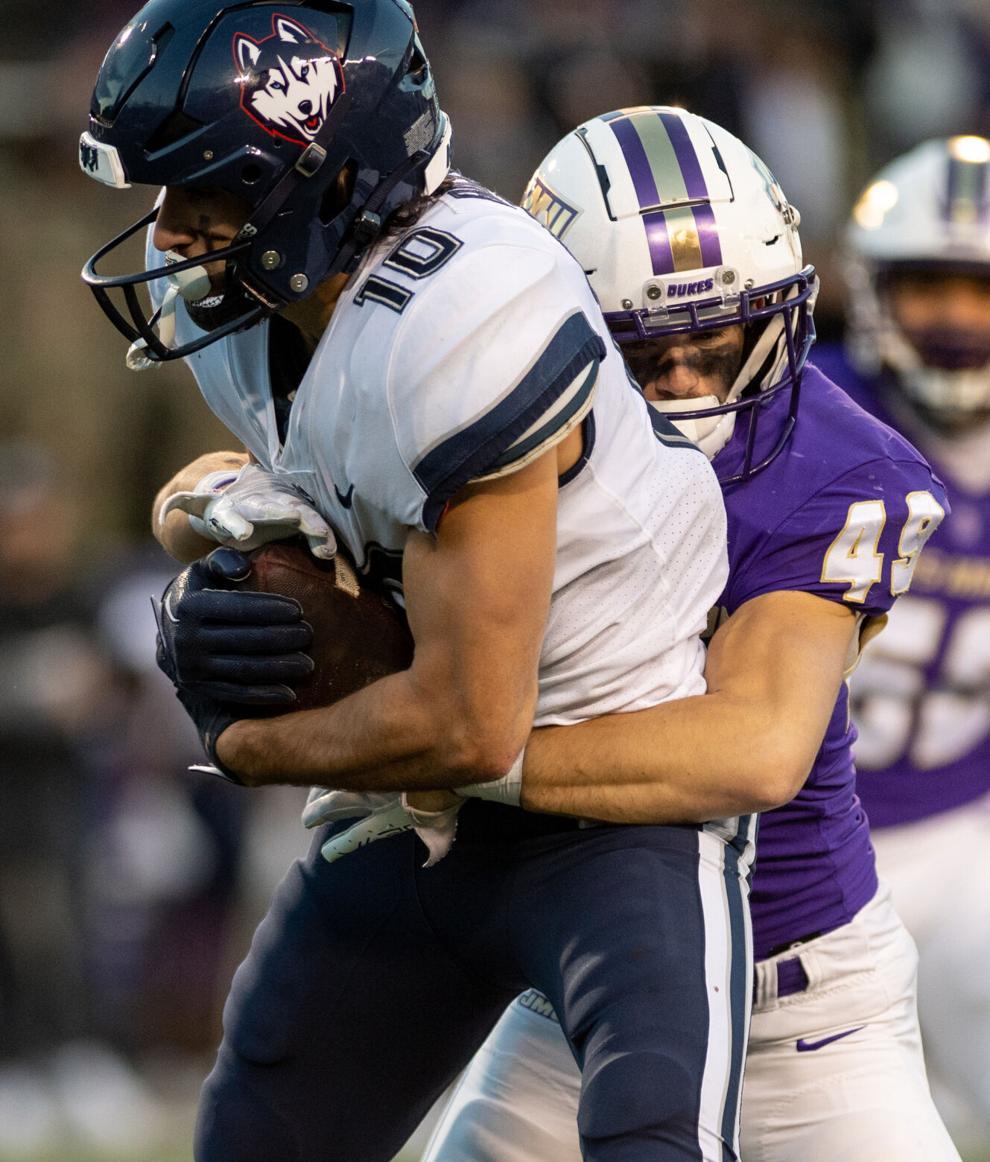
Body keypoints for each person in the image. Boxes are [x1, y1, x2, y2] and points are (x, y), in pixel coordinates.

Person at [79, 7, 749, 1161]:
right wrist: (212, 520)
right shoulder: (258, 308)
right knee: (260, 1137)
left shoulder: (464, 317)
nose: (174, 236)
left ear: (325, 181)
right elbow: (257, 477)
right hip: (416, 812)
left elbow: (471, 719)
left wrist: (251, 744)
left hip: (608, 803)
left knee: (653, 1142)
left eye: (207, 196)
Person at [396, 107, 958, 1162]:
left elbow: (753, 749)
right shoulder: (483, 431)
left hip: (804, 1012)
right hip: (594, 982)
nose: (694, 386)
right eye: (646, 353)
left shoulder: (836, 466)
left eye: (723, 342)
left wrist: (457, 747)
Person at [812, 135, 990, 1148]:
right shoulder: (804, 411)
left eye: (983, 290)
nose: (960, 319)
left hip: (967, 842)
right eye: (930, 286)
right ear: (875, 286)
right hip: (791, 850)